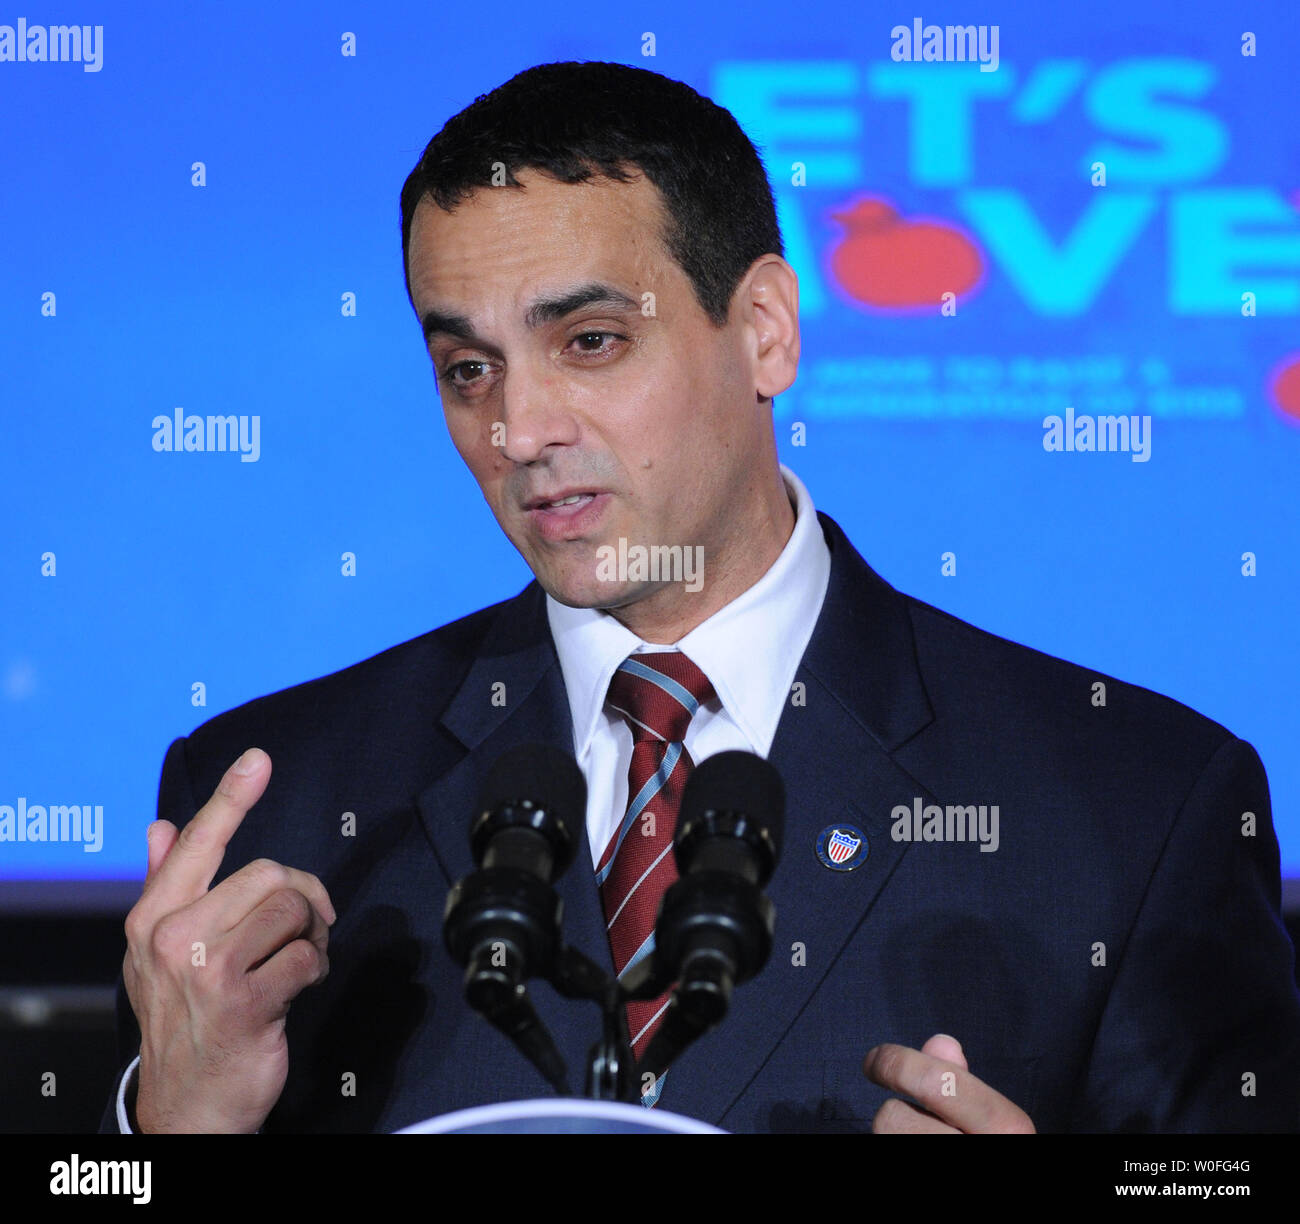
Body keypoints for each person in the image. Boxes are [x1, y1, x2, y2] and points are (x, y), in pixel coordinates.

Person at [103, 60, 1300, 1134]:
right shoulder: (276, 800)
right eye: (468, 369)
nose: (518, 431)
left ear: (766, 331)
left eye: (589, 342)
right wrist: (172, 1131)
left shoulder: (1137, 811)